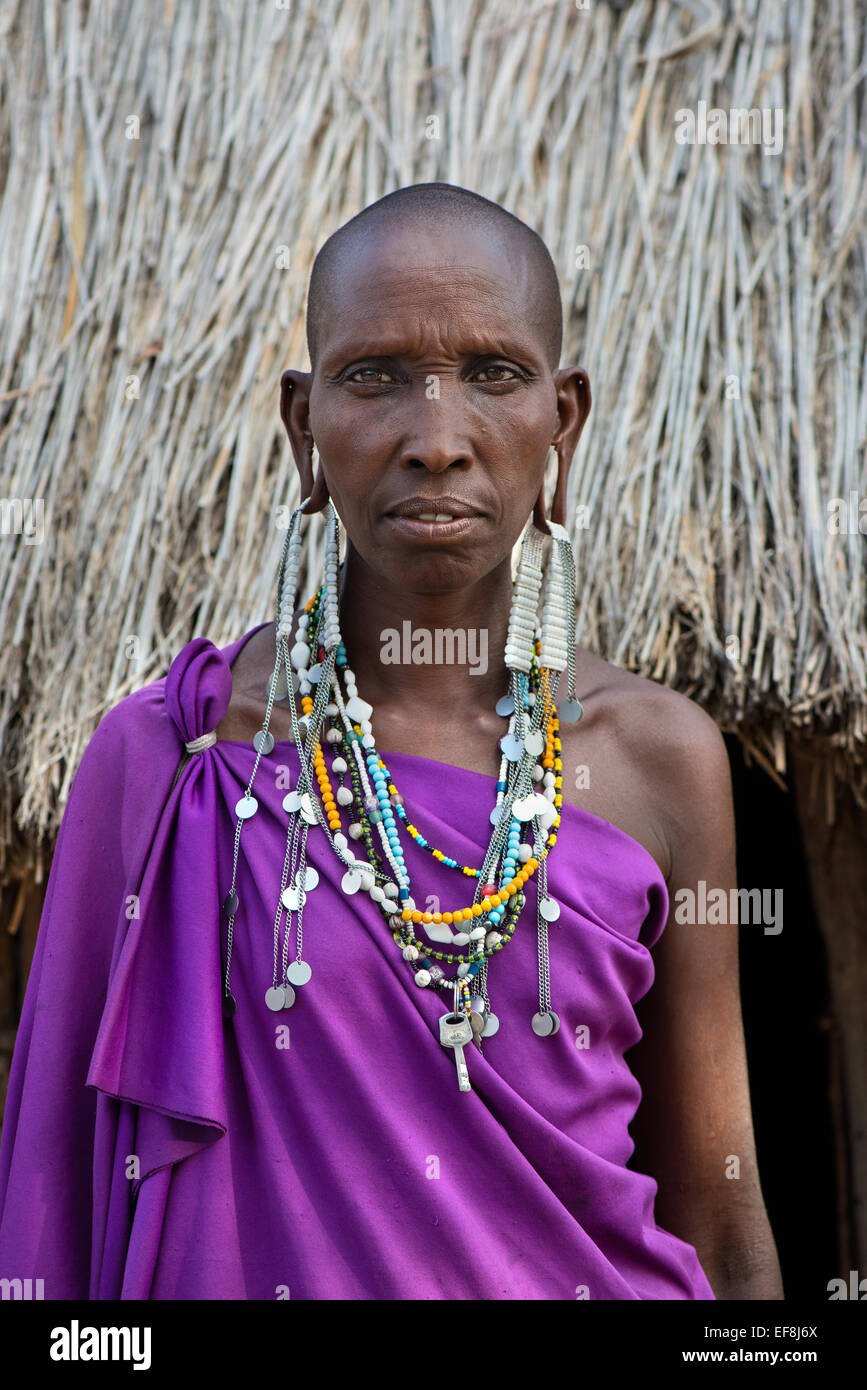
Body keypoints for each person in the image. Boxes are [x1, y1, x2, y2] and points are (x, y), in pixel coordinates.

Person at [0, 182, 783, 1300]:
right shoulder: (175, 757)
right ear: (301, 423)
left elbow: (718, 1192)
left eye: (494, 375)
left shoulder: (659, 759)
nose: (436, 440)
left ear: (564, 421)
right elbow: (57, 1191)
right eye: (373, 377)